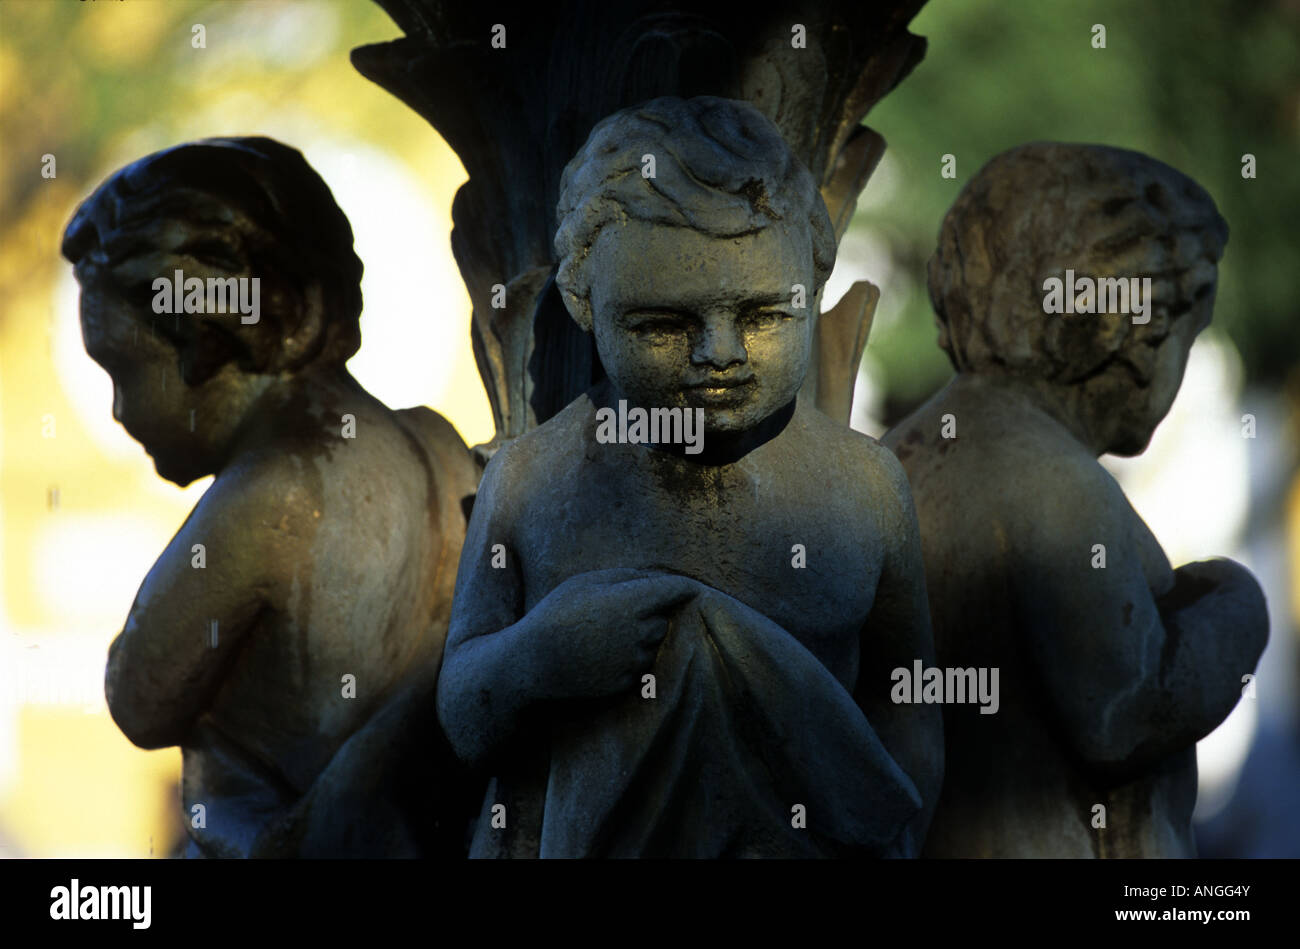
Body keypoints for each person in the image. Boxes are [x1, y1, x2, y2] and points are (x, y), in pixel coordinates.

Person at [436, 97, 943, 858]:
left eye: (767, 315)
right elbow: (463, 715)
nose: (721, 354)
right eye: (664, 326)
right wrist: (540, 655)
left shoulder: (864, 486)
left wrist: (896, 820)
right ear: (584, 304)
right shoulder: (533, 480)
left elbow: (910, 697)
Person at [62, 137, 481, 856]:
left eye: (123, 371)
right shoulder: (437, 442)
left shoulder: (269, 494)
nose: (118, 412)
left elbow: (139, 697)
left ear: (208, 340)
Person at [883, 142, 1269, 857]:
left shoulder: (901, 454)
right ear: (1137, 336)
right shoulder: (1054, 485)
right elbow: (1125, 711)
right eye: (1188, 334)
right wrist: (1237, 607)